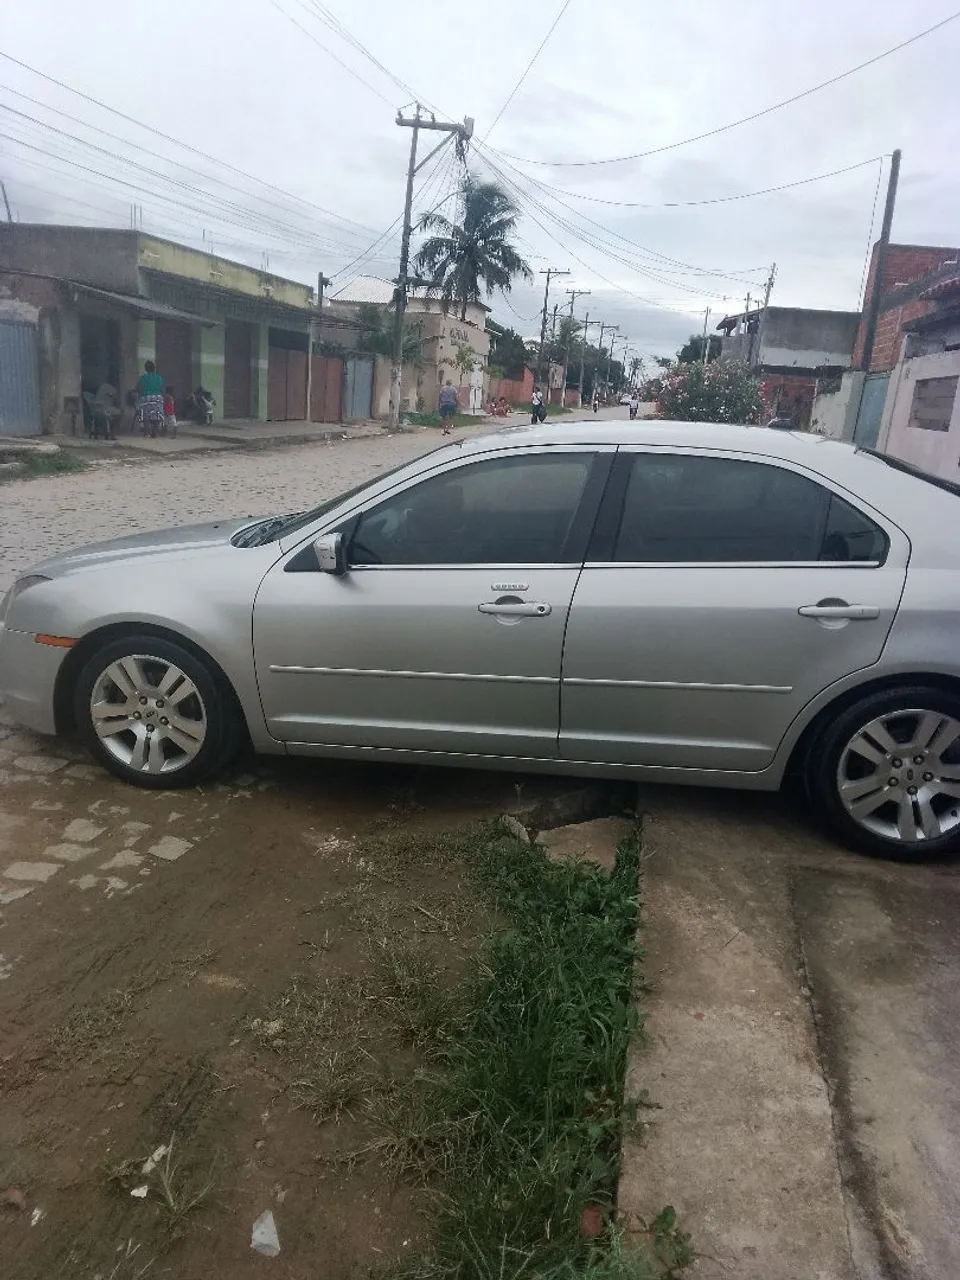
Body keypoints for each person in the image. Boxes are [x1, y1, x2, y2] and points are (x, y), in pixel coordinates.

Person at [136, 360, 165, 437]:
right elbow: (162, 389)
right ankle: (154, 433)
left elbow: (138, 388)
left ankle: (146, 433)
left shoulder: (143, 378)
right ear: (153, 368)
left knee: (146, 415)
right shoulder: (158, 377)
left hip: (146, 397)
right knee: (156, 415)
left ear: (146, 368)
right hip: (158, 397)